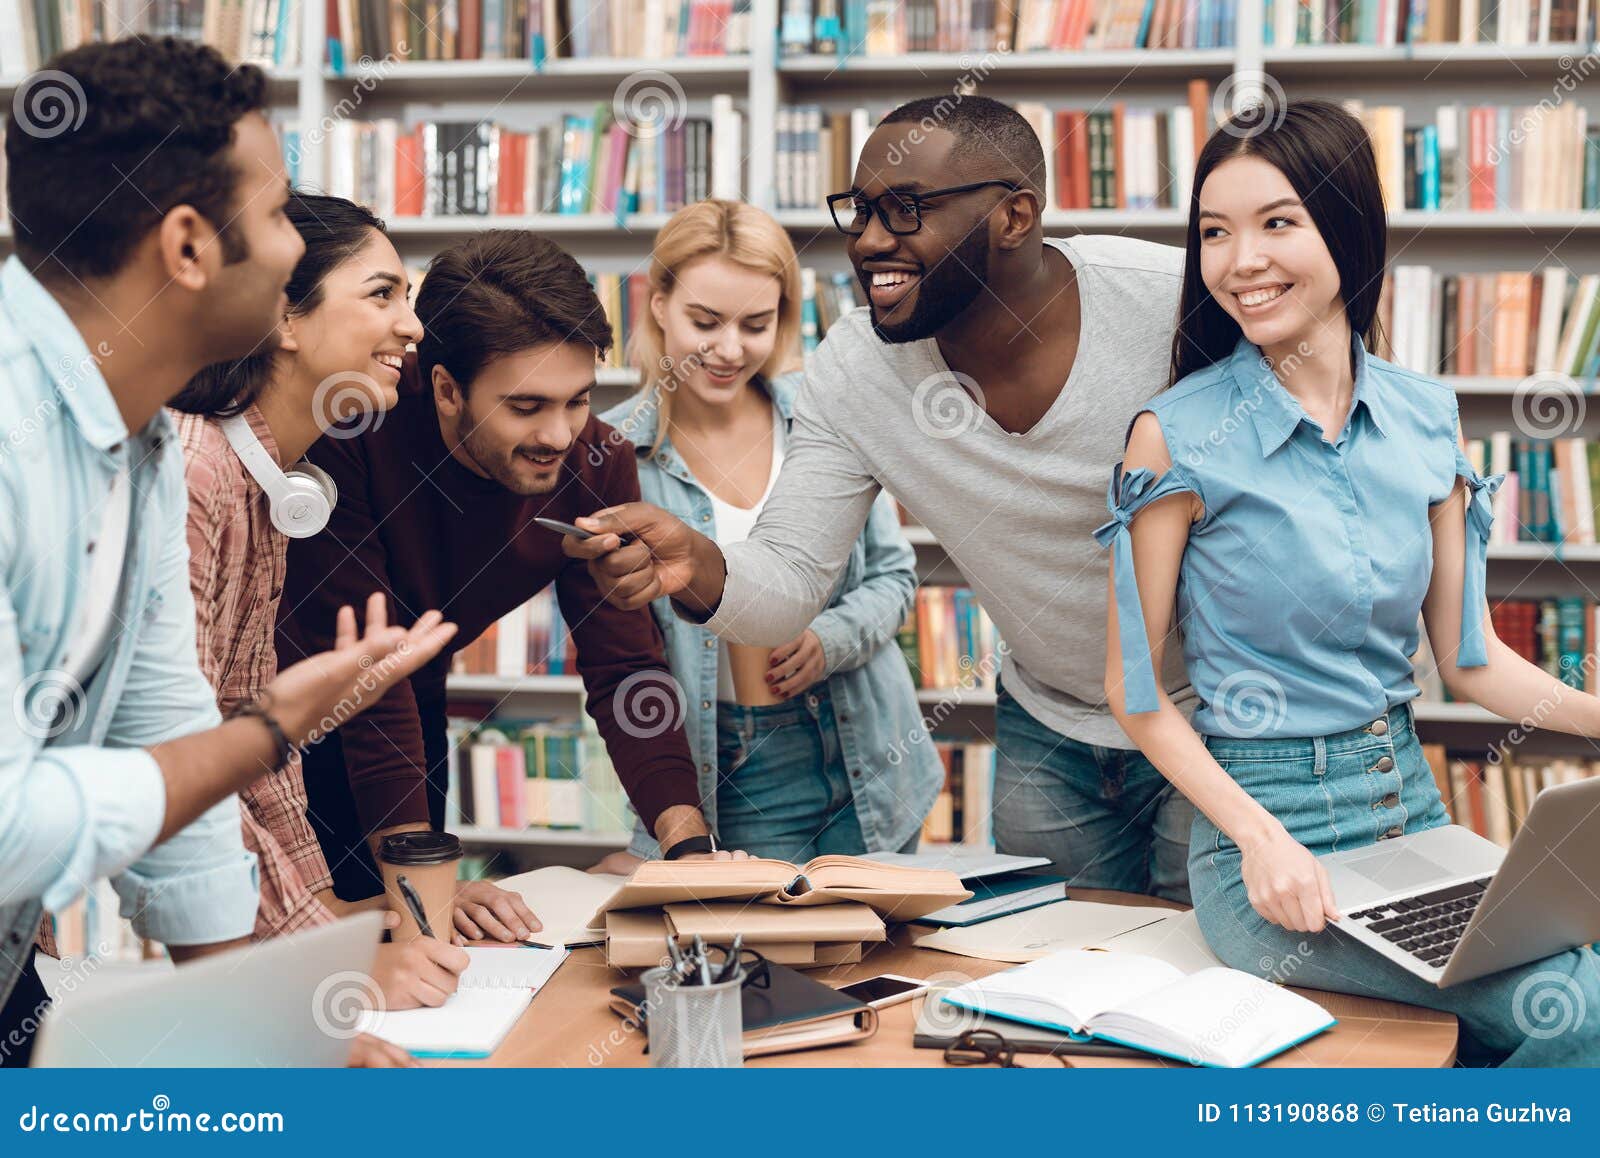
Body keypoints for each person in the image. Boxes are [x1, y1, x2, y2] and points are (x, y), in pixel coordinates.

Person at [565, 96, 1196, 898]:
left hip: (1212, 711)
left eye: (905, 211)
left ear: (1014, 217)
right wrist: (696, 563)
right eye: (861, 211)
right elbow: (790, 578)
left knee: (1211, 975)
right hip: (1049, 728)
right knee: (1054, 976)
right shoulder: (855, 370)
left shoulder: (1171, 299)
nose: (866, 241)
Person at [1098, 98, 1600, 1065]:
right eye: (1214, 232)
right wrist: (1258, 839)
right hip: (1273, 851)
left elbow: (1473, 660)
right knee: (1576, 1014)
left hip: (1413, 817)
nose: (1240, 260)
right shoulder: (1175, 436)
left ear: (1349, 227)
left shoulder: (1426, 419)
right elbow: (1135, 689)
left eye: (1277, 222)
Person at [0, 36, 454, 1066]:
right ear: (191, 247)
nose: (297, 246)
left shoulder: (148, 439)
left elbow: (166, 743)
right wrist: (258, 736)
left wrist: (277, 1027)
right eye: (281, 212)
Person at [278, 228, 749, 913]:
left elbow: (625, 669)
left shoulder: (596, 458)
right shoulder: (352, 431)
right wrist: (418, 892)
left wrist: (687, 851)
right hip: (300, 712)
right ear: (446, 389)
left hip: (416, 698)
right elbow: (367, 677)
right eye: (526, 406)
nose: (560, 434)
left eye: (578, 398)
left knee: (428, 946)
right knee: (347, 944)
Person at [170, 193, 483, 1067]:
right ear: (286, 320)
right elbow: (191, 767)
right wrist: (312, 986)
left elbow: (252, 755)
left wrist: (331, 936)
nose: (414, 327)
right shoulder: (199, 476)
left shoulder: (268, 477)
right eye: (381, 294)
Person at [598, 200, 940, 865]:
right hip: (727, 765)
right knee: (766, 960)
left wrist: (829, 639)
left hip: (867, 749)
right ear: (660, 304)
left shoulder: (821, 418)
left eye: (756, 324)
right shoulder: (612, 456)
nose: (730, 350)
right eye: (706, 321)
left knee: (881, 960)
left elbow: (896, 577)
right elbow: (615, 655)